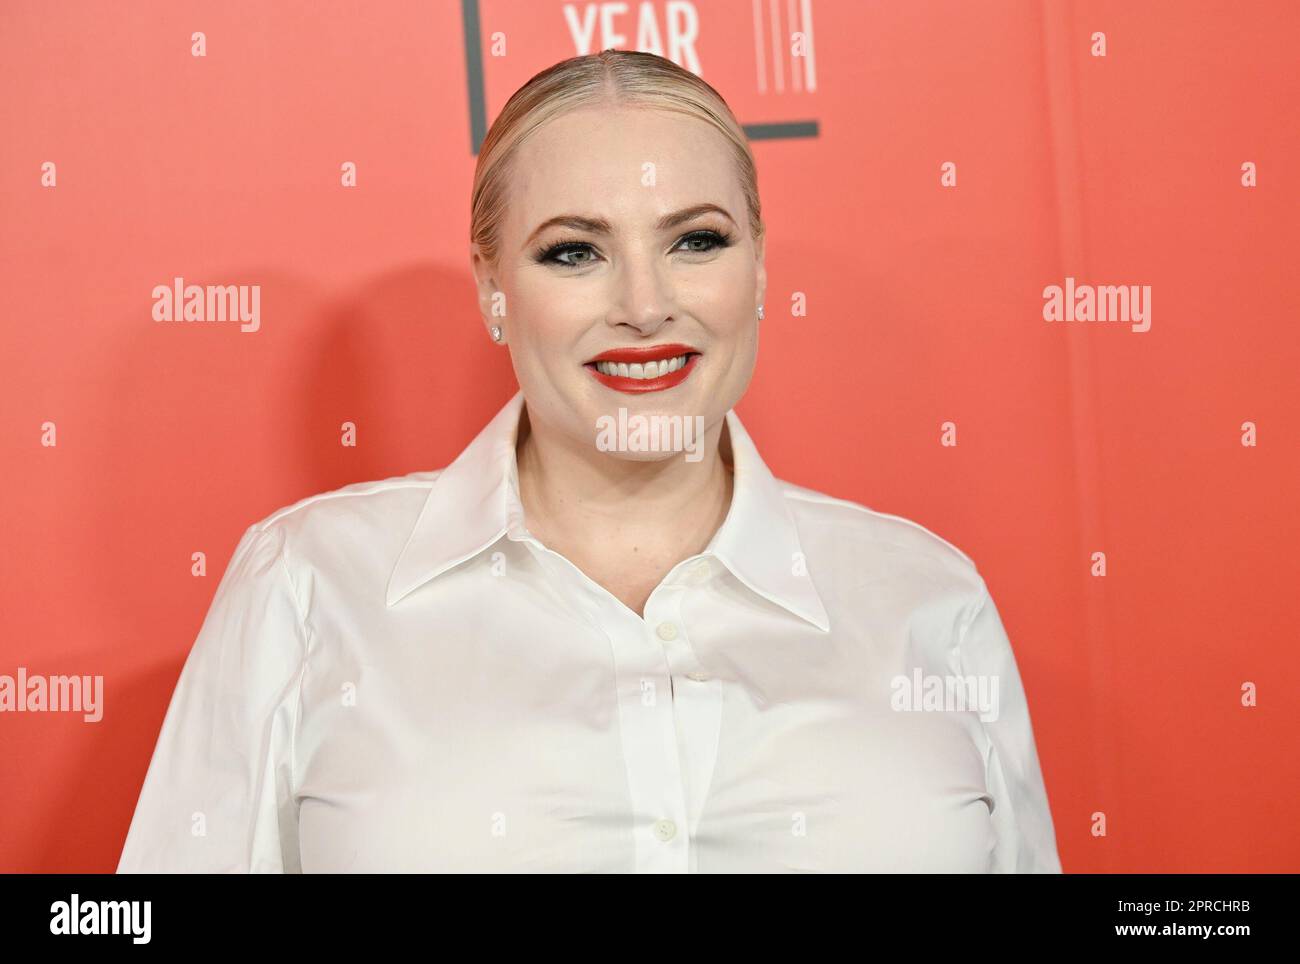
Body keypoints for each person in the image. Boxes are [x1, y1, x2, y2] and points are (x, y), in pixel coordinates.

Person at [117, 49, 1061, 873]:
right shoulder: (310, 584)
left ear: (761, 268)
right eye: (574, 252)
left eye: (697, 241)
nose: (645, 305)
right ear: (493, 288)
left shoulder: (928, 598)